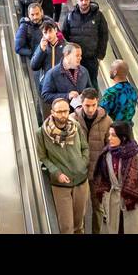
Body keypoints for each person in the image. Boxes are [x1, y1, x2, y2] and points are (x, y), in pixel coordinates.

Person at [36, 98, 90, 234]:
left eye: (66, 111)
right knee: (66, 227)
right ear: (52, 112)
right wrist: (57, 173)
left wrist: (83, 164)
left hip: (81, 181)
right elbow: (42, 157)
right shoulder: (42, 133)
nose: (63, 115)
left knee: (79, 224)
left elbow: (85, 148)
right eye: (59, 112)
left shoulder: (76, 126)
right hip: (61, 186)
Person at [91, 121, 138, 234]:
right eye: (109, 134)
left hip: (132, 202)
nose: (109, 138)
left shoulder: (136, 154)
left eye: (113, 135)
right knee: (114, 230)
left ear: (123, 137)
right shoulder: (107, 153)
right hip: (112, 201)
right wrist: (104, 198)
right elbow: (103, 179)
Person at [75, 88, 114, 233]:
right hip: (79, 172)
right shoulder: (73, 119)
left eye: (93, 105)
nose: (90, 109)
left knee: (98, 207)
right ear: (81, 103)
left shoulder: (107, 121)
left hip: (98, 173)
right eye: (87, 105)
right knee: (80, 208)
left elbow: (111, 148)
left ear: (97, 102)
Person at [60, 0, 109, 88]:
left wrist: (100, 55)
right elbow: (64, 36)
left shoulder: (98, 15)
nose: (84, 2)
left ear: (89, 0)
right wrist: (67, 55)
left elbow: (104, 35)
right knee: (74, 84)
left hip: (91, 58)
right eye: (81, 0)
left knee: (92, 83)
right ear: (77, 1)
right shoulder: (70, 16)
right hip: (74, 58)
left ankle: (94, 102)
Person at [40, 41, 91, 107]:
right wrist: (67, 96)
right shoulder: (52, 73)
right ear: (66, 55)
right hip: (63, 114)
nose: (80, 58)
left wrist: (86, 95)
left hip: (82, 113)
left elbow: (90, 89)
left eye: (80, 55)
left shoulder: (84, 70)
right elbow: (46, 96)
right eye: (77, 55)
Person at [98, 59, 138, 125]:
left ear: (115, 72)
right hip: (128, 130)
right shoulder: (133, 90)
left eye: (111, 68)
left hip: (113, 131)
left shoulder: (111, 92)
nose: (109, 70)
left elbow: (102, 113)